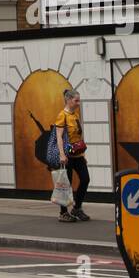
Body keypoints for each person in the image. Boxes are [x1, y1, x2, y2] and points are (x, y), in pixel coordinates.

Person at [55, 89, 90, 222]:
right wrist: (62, 155)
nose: (78, 103)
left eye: (78, 100)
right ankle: (63, 213)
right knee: (66, 184)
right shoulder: (62, 115)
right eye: (76, 100)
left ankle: (77, 208)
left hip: (78, 155)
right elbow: (59, 136)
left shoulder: (75, 115)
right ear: (69, 100)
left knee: (85, 179)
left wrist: (83, 154)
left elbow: (78, 136)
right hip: (67, 157)